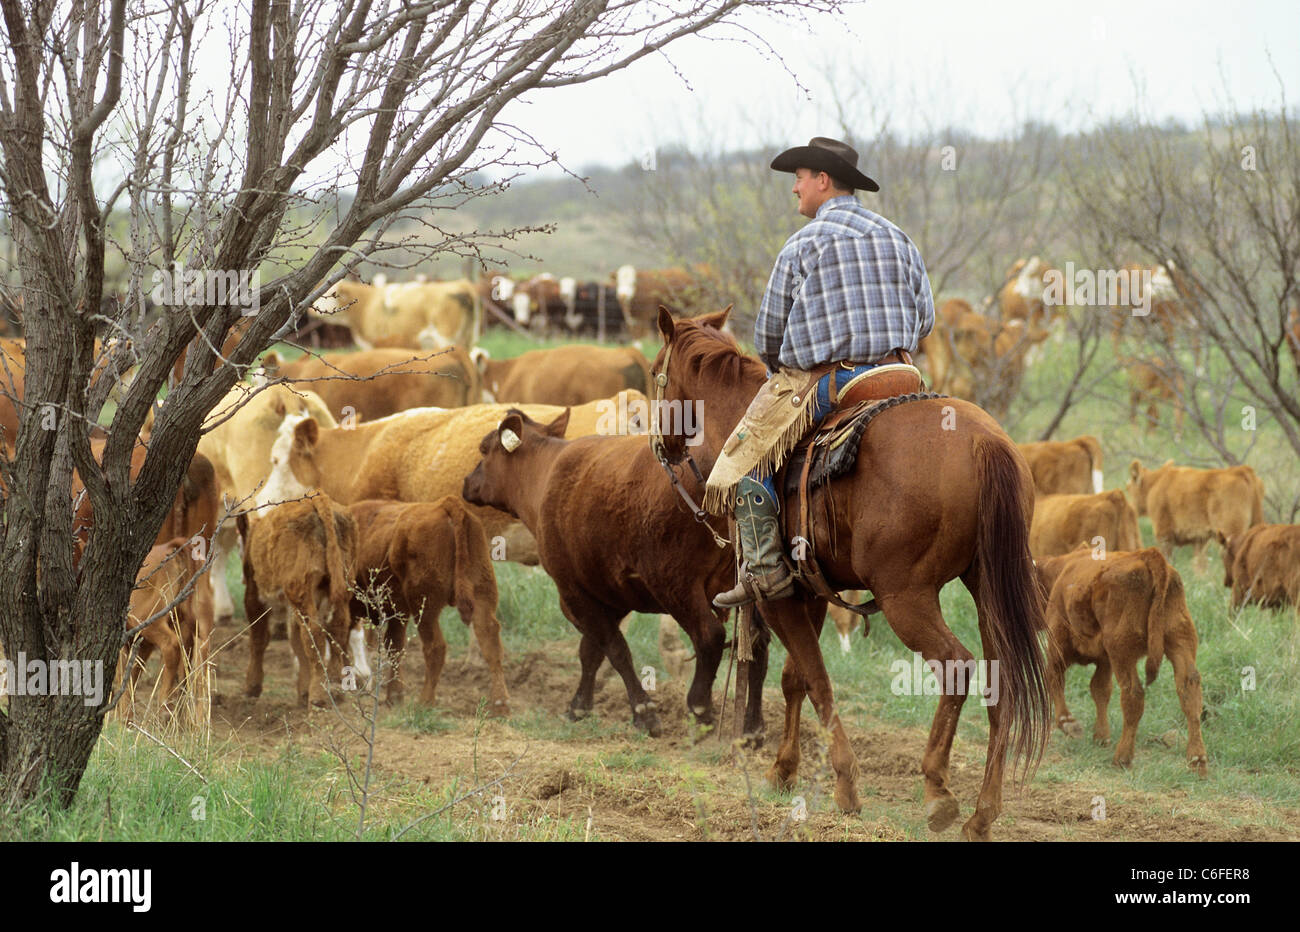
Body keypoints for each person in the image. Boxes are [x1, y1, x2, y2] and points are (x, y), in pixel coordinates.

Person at [708, 136, 936, 609]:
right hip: (903, 378)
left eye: (798, 178)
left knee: (745, 455)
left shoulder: (804, 244)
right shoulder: (898, 237)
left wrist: (778, 371)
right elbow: (926, 319)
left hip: (834, 383)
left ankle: (766, 570)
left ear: (822, 181)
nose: (794, 189)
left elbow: (769, 334)